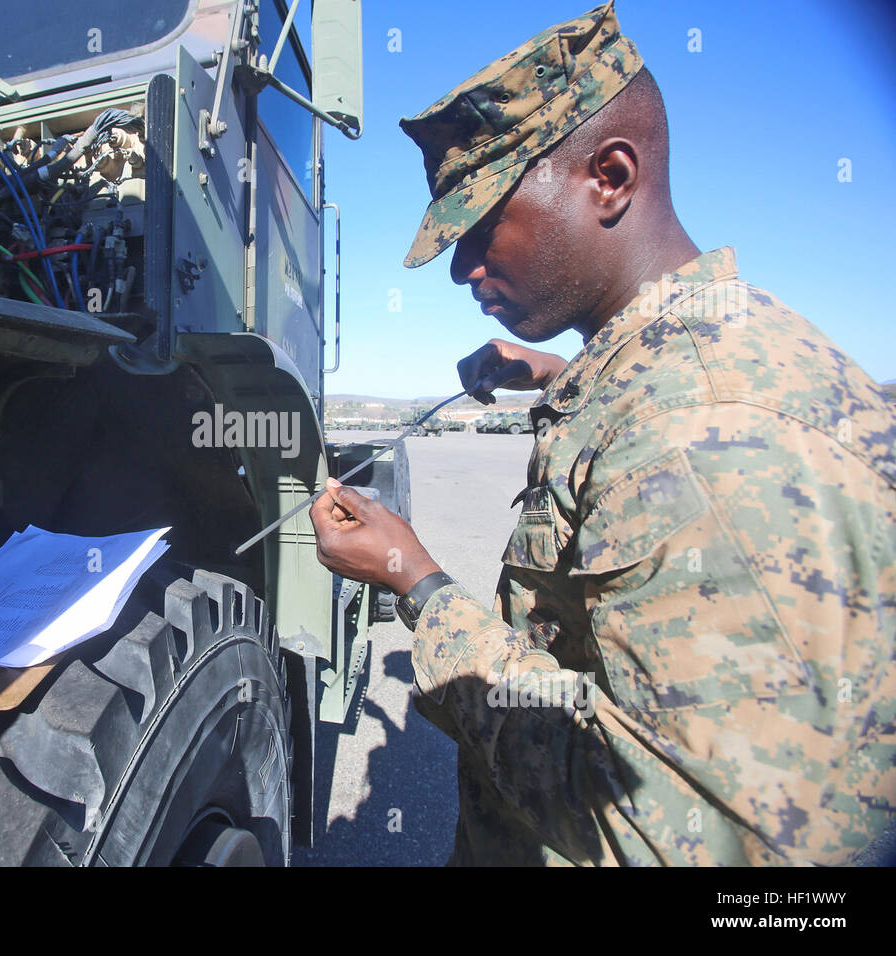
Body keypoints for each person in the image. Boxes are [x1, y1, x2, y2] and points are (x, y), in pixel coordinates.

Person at [309, 1, 896, 865]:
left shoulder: (705, 431)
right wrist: (553, 374)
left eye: (480, 226)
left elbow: (662, 828)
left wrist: (415, 582)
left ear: (611, 177)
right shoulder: (687, 362)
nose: (465, 267)